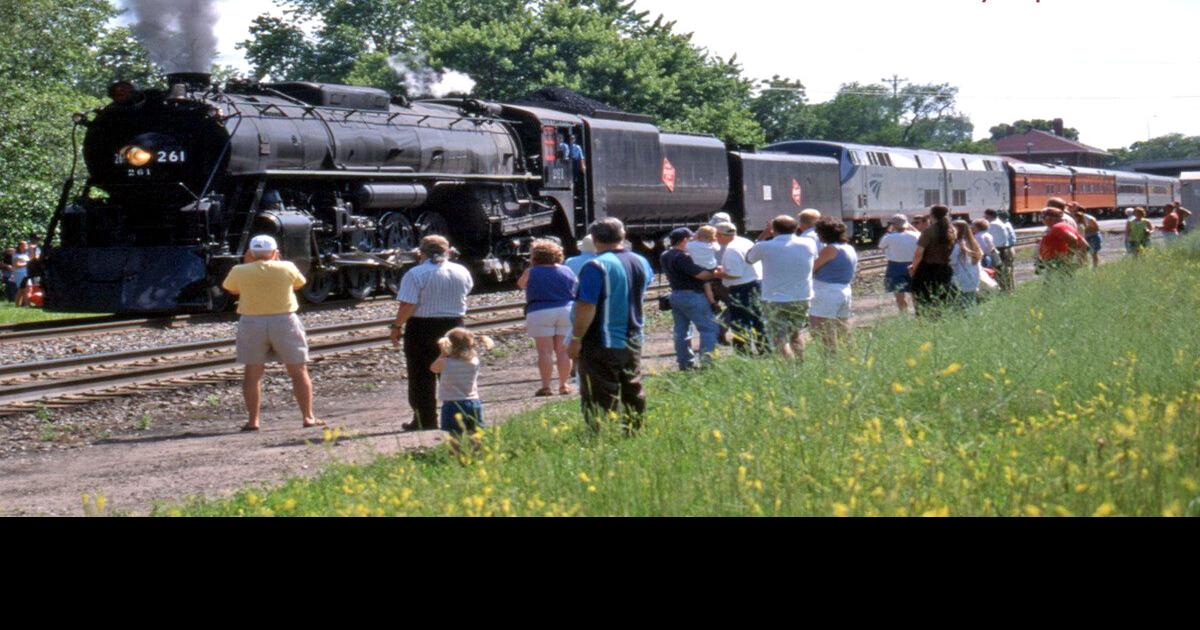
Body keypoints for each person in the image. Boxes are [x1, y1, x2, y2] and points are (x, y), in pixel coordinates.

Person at [221, 235, 323, 431]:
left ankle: (253, 421)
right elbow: (299, 284)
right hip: (284, 321)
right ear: (275, 253)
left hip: (251, 322)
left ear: (250, 253)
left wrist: (247, 265)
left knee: (252, 374)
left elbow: (231, 289)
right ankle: (308, 417)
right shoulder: (287, 267)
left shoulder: (239, 270)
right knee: (298, 370)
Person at [568, 218, 651, 432]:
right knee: (632, 388)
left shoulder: (596, 266)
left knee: (599, 394)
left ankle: (602, 436)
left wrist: (576, 339)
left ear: (594, 239)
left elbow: (586, 306)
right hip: (633, 338)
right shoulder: (641, 262)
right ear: (623, 236)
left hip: (601, 341)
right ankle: (634, 431)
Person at [389, 235, 474, 432]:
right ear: (448, 252)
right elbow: (466, 291)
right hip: (455, 326)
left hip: (422, 327)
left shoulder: (415, 273)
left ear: (421, 252)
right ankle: (460, 415)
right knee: (453, 371)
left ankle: (425, 419)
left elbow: (408, 304)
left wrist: (396, 326)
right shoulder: (462, 271)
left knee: (421, 374)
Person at [746, 214, 817, 359]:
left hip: (774, 298)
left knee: (780, 338)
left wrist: (765, 233)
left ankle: (789, 370)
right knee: (796, 334)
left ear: (773, 229)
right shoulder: (809, 244)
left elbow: (749, 258)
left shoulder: (764, 246)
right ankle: (800, 363)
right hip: (801, 297)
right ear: (796, 227)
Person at [517, 240, 577, 396]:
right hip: (566, 310)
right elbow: (575, 286)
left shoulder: (531, 272)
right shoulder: (567, 270)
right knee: (563, 351)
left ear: (535, 256)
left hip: (539, 311)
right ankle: (564, 385)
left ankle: (546, 386)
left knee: (545, 352)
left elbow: (521, 284)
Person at [661, 228, 722, 370]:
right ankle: (707, 363)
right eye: (692, 238)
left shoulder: (665, 255)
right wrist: (717, 273)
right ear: (684, 240)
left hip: (676, 295)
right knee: (709, 329)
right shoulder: (683, 257)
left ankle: (685, 363)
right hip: (693, 296)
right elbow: (701, 275)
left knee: (681, 331)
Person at [430, 327, 492, 450]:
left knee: (454, 435)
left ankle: (456, 455)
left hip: (452, 403)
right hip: (473, 402)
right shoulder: (474, 361)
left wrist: (443, 354)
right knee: (474, 433)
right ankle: (476, 455)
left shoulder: (445, 362)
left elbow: (433, 368)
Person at [714, 222, 764, 353]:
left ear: (721, 235)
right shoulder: (745, 241)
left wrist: (718, 273)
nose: (715, 239)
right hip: (756, 283)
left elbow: (735, 274)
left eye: (716, 236)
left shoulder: (731, 250)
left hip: (742, 289)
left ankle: (743, 352)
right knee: (758, 319)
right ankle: (765, 350)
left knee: (740, 322)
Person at [809, 217, 858, 351]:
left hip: (827, 292)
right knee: (844, 327)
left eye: (819, 233)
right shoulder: (849, 248)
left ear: (824, 234)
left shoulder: (830, 249)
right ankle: (852, 356)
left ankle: (831, 361)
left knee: (825, 330)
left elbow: (812, 268)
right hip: (844, 290)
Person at [909, 205, 959, 319]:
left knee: (923, 299)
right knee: (942, 298)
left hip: (927, 269)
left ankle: (925, 323)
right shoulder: (952, 231)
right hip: (944, 269)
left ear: (932, 216)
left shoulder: (929, 231)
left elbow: (918, 254)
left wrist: (914, 268)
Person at [879, 214, 919, 314]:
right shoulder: (915, 235)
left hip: (895, 267)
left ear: (893, 225)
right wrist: (911, 227)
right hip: (913, 265)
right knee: (916, 293)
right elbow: (920, 236)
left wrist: (889, 230)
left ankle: (904, 316)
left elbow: (880, 246)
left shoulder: (889, 237)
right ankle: (918, 315)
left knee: (900, 297)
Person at [1037, 207, 1089, 275]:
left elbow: (1073, 239)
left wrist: (1068, 257)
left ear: (1049, 218)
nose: (1042, 221)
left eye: (1042, 218)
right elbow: (1084, 244)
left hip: (1058, 264)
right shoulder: (1064, 226)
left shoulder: (1057, 227)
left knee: (1053, 284)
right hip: (1057, 263)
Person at [950, 220, 984, 310]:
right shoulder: (973, 243)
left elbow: (951, 261)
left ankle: (971, 319)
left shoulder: (959, 244)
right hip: (974, 276)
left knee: (964, 304)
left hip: (961, 278)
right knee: (971, 301)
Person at [1068, 202, 1103, 268]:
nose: (1069, 209)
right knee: (1082, 254)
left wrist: (1084, 230)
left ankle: (1095, 268)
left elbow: (1096, 228)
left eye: (1071, 207)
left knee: (1093, 253)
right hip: (1083, 237)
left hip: (1092, 237)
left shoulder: (1089, 218)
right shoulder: (1072, 218)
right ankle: (1085, 267)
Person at [991, 210, 1017, 292]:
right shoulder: (1008, 224)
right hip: (1010, 248)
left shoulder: (1003, 225)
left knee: (1005, 270)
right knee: (1010, 270)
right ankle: (1011, 289)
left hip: (1006, 249)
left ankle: (1007, 290)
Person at [10, 241, 31, 307]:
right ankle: (26, 304)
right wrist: (27, 264)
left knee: (22, 289)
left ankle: (18, 305)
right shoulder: (16, 255)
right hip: (20, 274)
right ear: (20, 246)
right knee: (24, 289)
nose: (26, 247)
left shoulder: (25, 254)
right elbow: (16, 265)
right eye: (25, 245)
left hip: (26, 273)